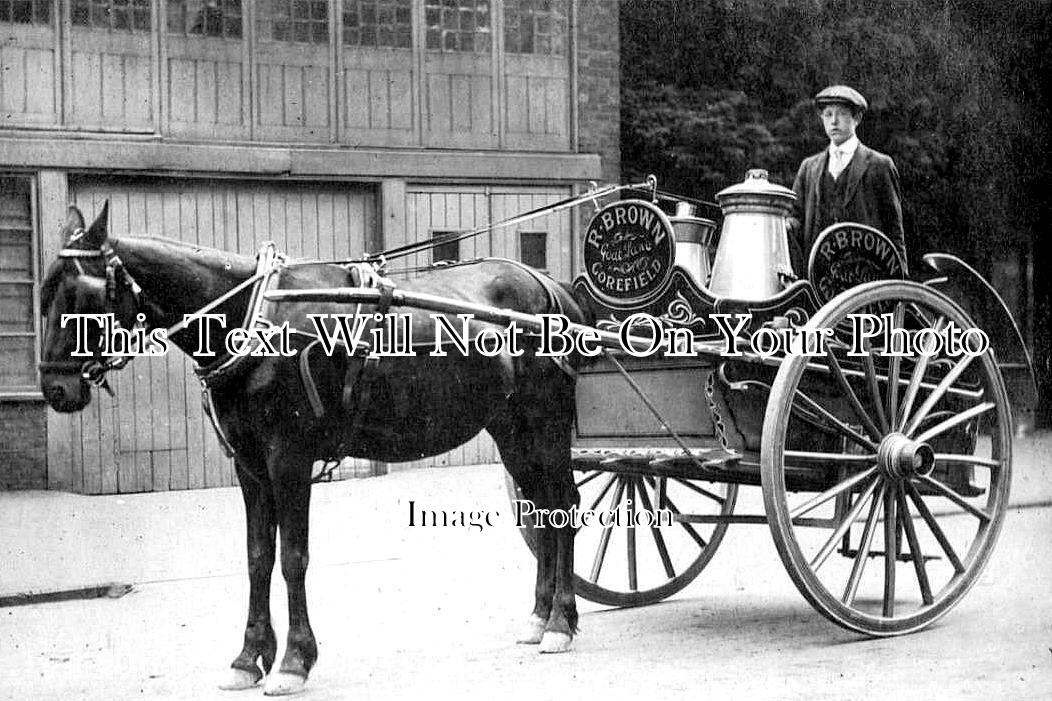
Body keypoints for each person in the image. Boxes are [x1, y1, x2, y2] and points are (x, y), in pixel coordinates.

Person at [786, 85, 906, 276]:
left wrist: (900, 281)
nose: (834, 121)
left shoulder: (879, 165)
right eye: (828, 114)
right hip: (818, 277)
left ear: (857, 118)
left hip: (865, 277)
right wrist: (780, 225)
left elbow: (894, 230)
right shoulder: (809, 168)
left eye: (841, 114)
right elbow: (795, 219)